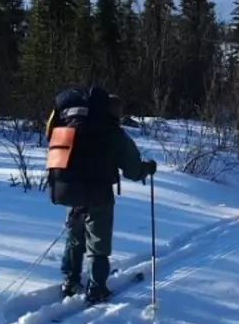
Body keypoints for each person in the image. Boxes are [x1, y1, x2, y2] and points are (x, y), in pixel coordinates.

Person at [44, 85, 157, 304]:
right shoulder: (113, 134)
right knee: (98, 241)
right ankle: (96, 288)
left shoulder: (70, 125)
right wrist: (148, 168)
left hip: (70, 188)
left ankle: (70, 281)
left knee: (75, 236)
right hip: (99, 193)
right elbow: (133, 170)